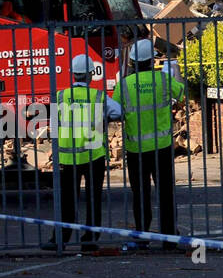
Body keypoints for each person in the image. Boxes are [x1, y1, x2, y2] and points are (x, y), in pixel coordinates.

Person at [43, 54, 122, 251]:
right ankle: (89, 240)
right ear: (89, 75)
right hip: (93, 156)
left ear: (73, 75)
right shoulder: (98, 96)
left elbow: (54, 120)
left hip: (68, 156)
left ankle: (60, 239)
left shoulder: (61, 96)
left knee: (67, 201)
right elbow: (118, 112)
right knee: (93, 200)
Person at [115, 38, 186, 250]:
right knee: (165, 193)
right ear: (152, 60)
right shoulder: (163, 80)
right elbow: (182, 94)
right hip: (162, 148)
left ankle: (142, 236)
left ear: (134, 62)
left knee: (141, 195)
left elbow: (115, 112)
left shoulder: (124, 85)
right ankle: (169, 237)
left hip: (136, 150)